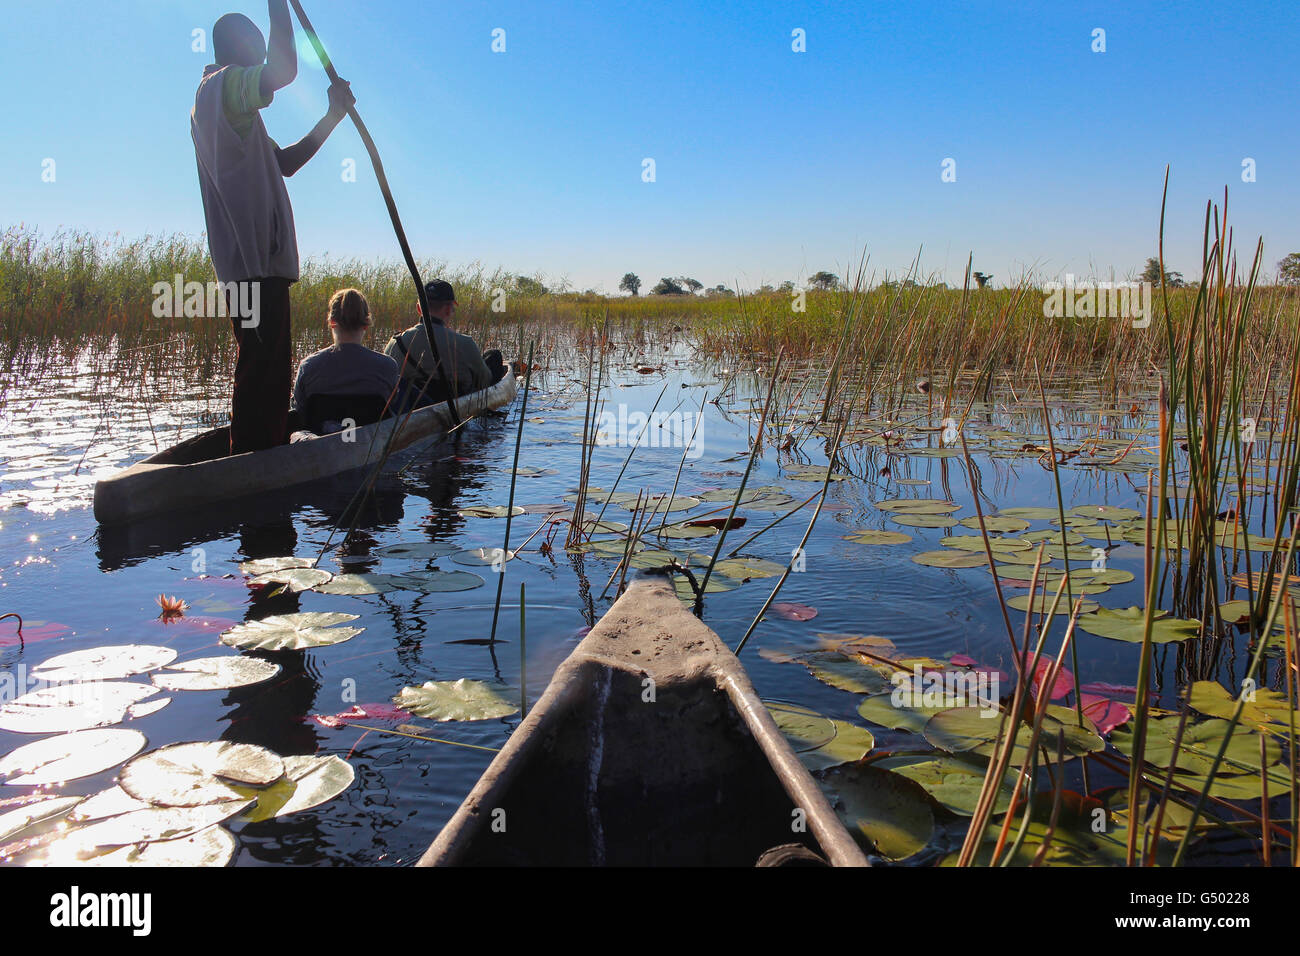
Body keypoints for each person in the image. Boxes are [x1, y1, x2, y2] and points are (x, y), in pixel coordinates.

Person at [191, 0, 356, 454]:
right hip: (253, 265)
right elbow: (283, 69)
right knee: (262, 374)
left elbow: (285, 163)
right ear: (238, 48)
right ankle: (252, 467)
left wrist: (332, 116)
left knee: (263, 373)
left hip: (255, 265)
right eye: (258, 45)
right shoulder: (221, 89)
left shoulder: (234, 109)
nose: (264, 53)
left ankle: (253, 454)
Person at [383, 280, 507, 409]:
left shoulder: (395, 342)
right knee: (494, 355)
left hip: (409, 408)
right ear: (448, 309)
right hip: (453, 406)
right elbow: (485, 381)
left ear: (419, 309)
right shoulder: (464, 343)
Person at [292, 289, 399, 435]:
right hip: (369, 450)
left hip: (321, 450)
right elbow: (394, 408)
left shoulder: (309, 366)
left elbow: (299, 413)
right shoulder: (387, 367)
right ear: (366, 324)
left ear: (331, 322)